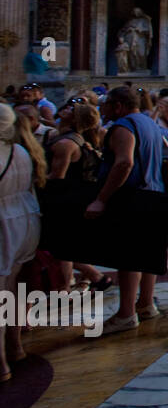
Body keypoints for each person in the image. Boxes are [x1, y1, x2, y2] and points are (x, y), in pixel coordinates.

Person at [87, 87, 168, 335]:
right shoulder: (150, 124)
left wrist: (101, 199)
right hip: (154, 193)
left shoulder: (123, 127)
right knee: (146, 253)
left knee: (128, 257)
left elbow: (124, 162)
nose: (102, 109)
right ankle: (146, 303)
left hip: (132, 197)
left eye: (105, 104)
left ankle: (126, 313)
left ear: (118, 106)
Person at [40, 102, 110, 293]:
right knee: (62, 248)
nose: (67, 108)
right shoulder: (73, 139)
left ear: (75, 118)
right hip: (71, 198)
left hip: (63, 200)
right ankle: (96, 277)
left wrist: (33, 179)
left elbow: (57, 177)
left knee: (60, 248)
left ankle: (64, 288)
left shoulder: (65, 144)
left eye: (73, 110)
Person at [0, 104, 44, 381]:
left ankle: (1, 362)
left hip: (3, 223)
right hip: (26, 220)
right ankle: (15, 347)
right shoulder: (22, 150)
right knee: (14, 288)